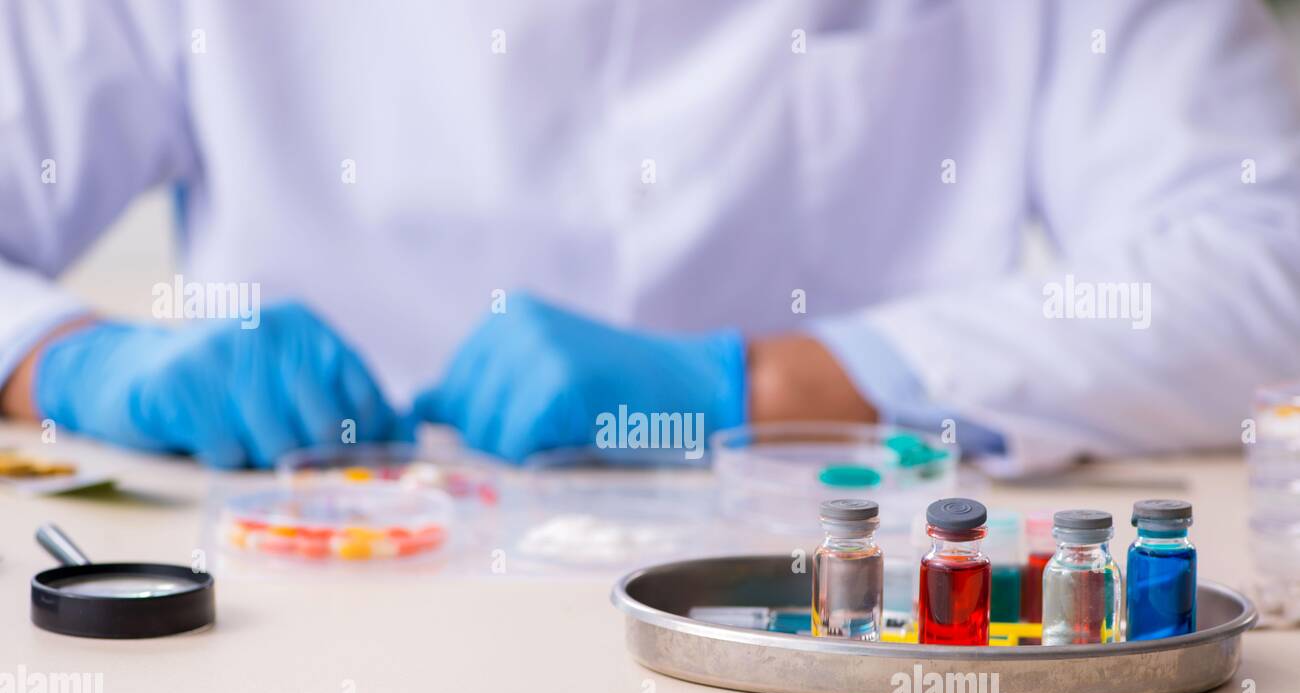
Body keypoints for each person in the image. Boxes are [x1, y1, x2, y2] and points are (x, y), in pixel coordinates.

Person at [2, 0, 1298, 472]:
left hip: (841, 615)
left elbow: (1264, 256)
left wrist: (775, 385)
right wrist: (68, 364)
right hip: (299, 602)